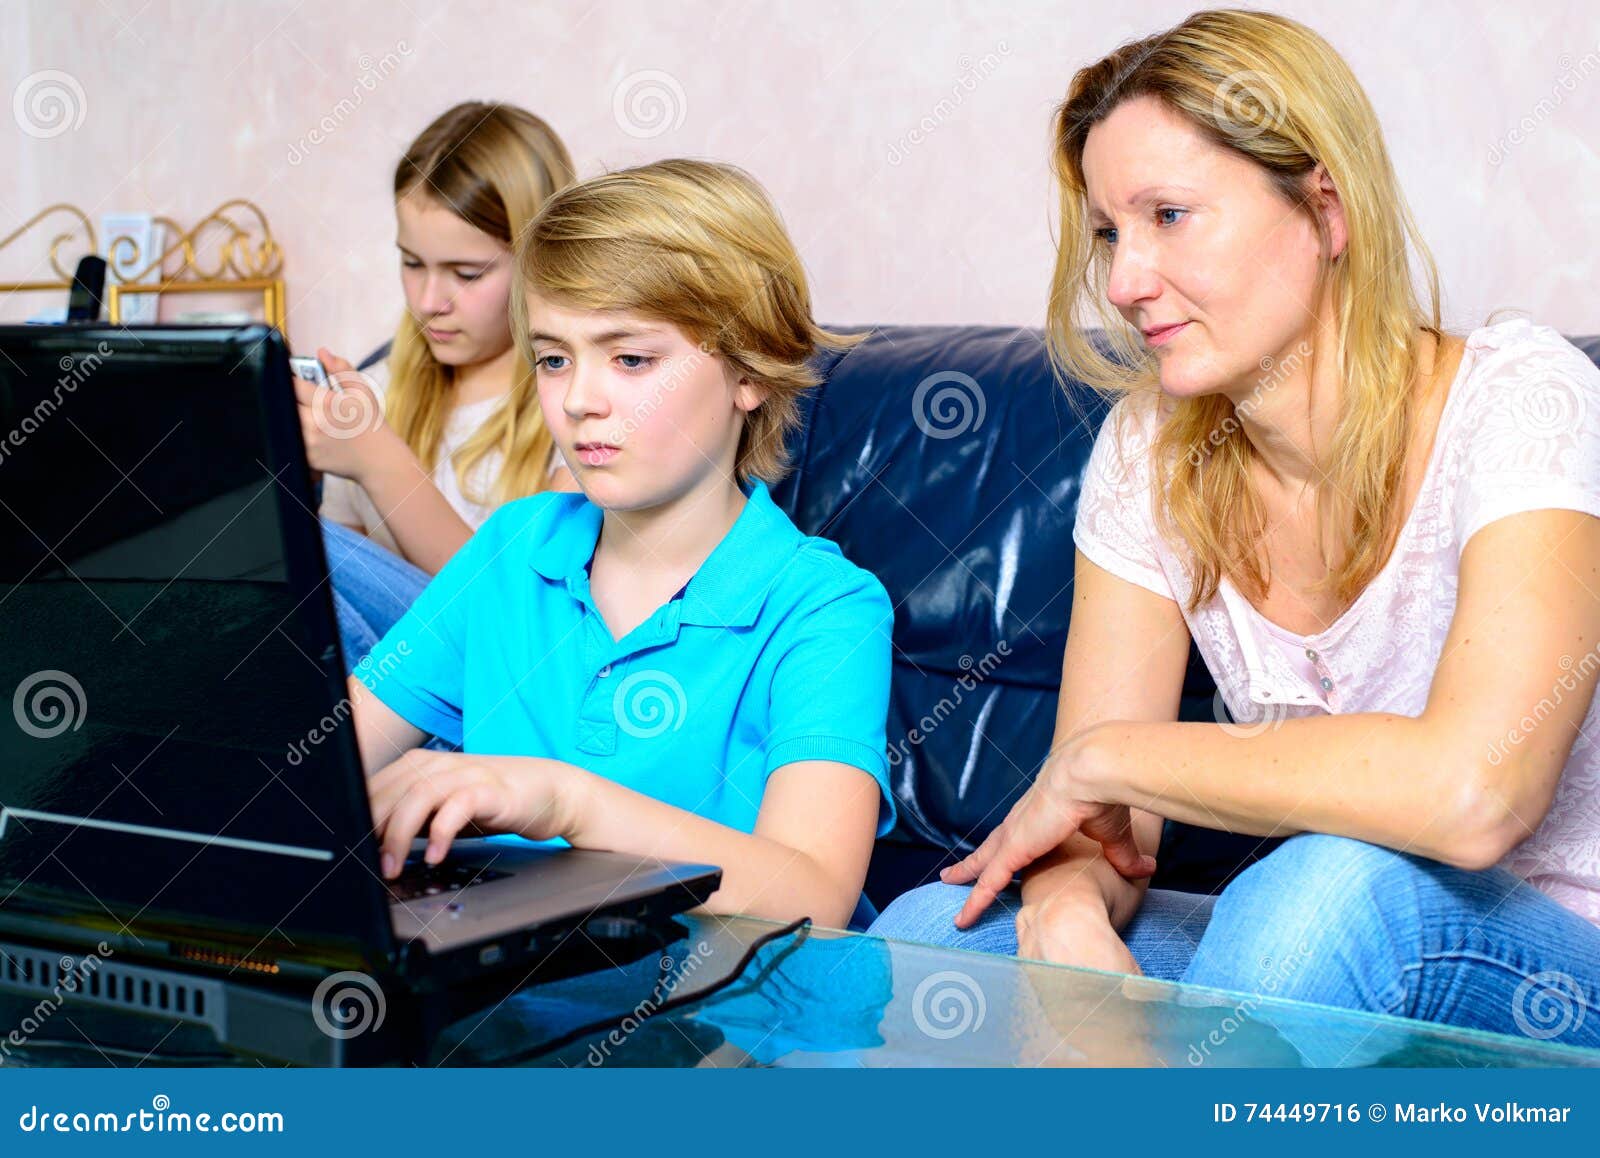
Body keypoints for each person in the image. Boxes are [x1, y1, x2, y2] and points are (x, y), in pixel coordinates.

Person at [870, 8, 1600, 1052]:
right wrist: (1069, 909)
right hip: (1317, 950)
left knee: (1325, 884)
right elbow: (1103, 822)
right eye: (1111, 233)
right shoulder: (1151, 450)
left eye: (1169, 216)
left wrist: (1107, 759)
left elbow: (1476, 795)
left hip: (1554, 970)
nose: (1123, 282)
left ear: (1325, 208)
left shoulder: (1522, 398)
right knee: (934, 934)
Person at [346, 159, 896, 932]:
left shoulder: (825, 608)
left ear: (749, 371)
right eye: (553, 357)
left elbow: (814, 895)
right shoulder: (514, 546)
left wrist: (565, 799)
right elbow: (321, 763)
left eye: (631, 359)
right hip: (498, 1001)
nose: (578, 400)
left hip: (718, 1026)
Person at [293, 101, 579, 667]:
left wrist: (381, 465)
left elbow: (526, 612)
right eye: (411, 263)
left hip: (506, 678)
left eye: (466, 273)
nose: (428, 302)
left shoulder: (579, 400)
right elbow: (348, 611)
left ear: (540, 260)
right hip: (388, 687)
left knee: (310, 552)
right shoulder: (374, 394)